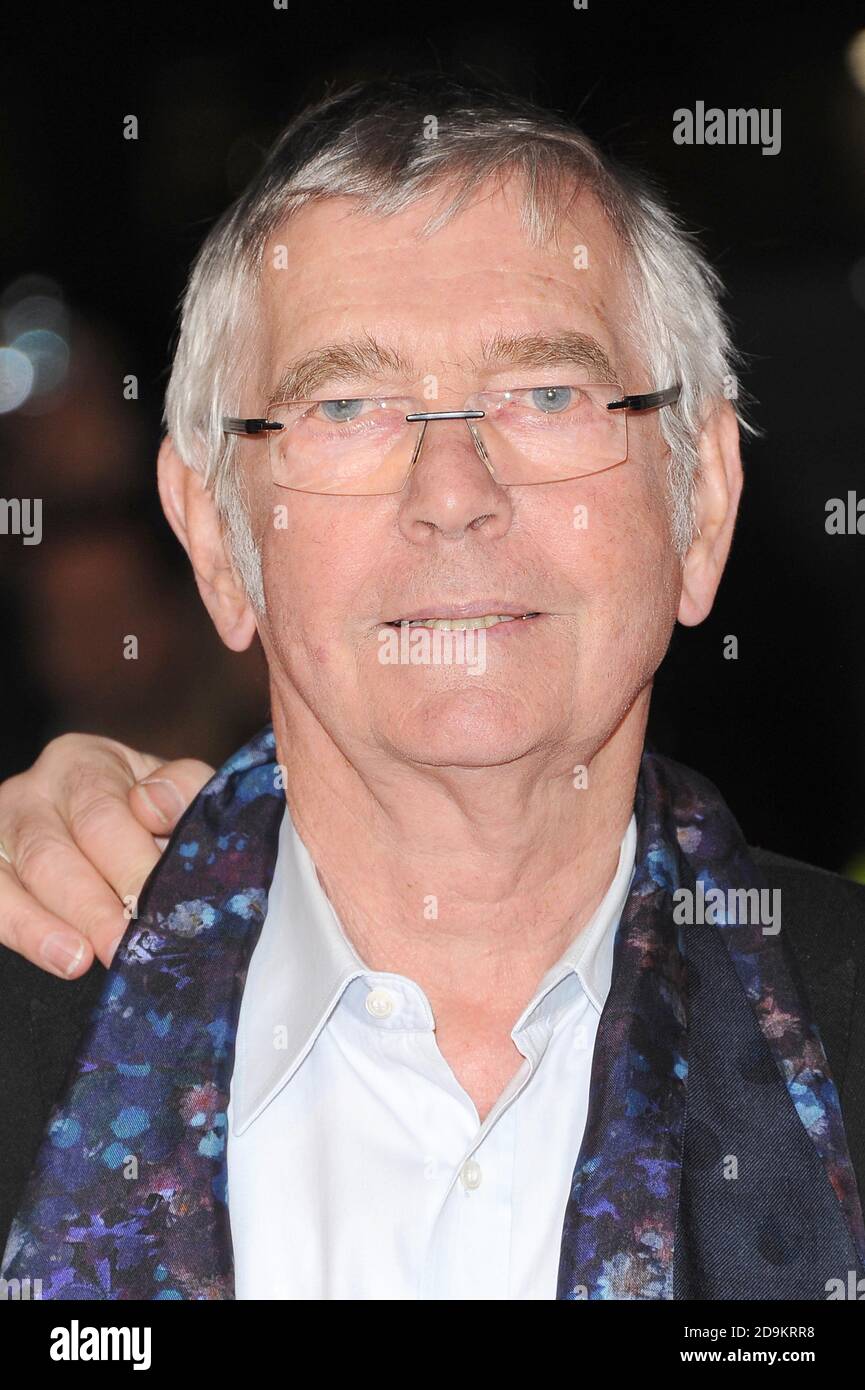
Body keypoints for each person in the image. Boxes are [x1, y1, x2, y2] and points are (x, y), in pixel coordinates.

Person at [1, 74, 863, 1301]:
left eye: (549, 394)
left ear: (701, 502)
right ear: (213, 536)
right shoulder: (27, 1024)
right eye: (346, 406)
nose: (452, 489)